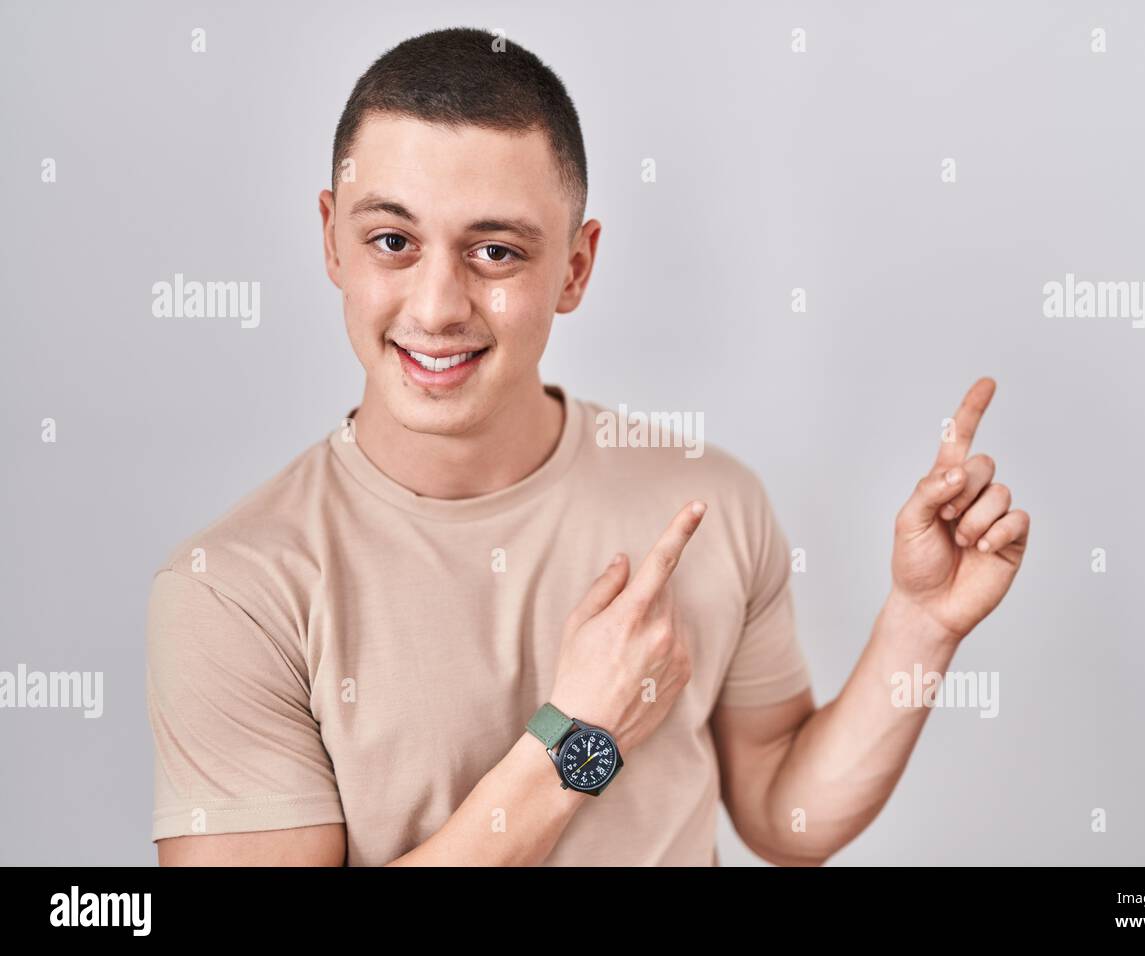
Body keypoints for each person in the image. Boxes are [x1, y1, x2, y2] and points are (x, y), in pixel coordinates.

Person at [146, 27, 1030, 866]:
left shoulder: (710, 501)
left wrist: (920, 627)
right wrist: (581, 739)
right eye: (393, 242)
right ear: (332, 238)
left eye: (495, 251)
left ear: (574, 268)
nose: (437, 305)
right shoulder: (235, 592)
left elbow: (784, 816)